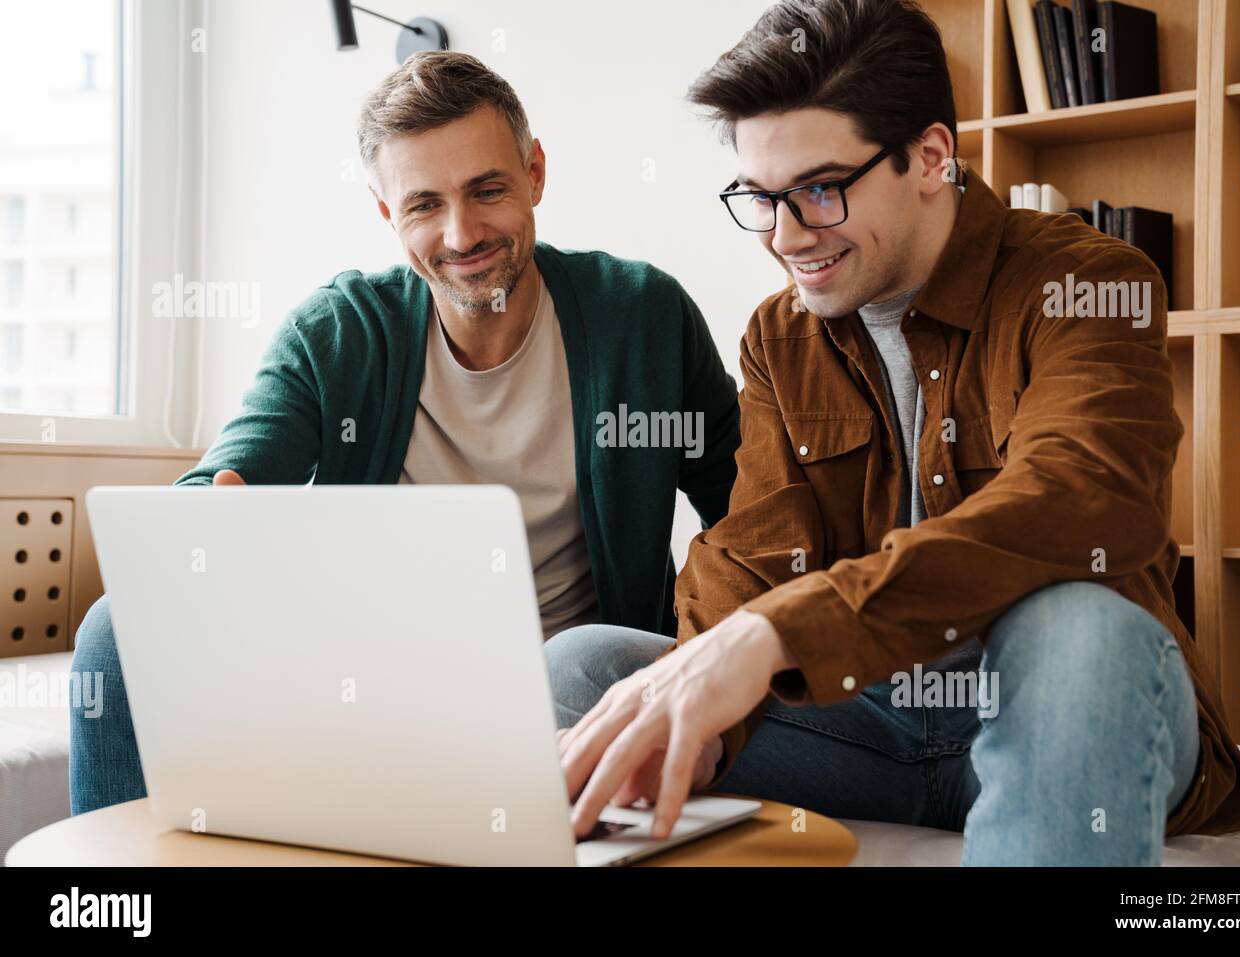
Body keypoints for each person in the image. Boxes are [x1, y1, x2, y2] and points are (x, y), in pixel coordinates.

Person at [551, 0, 1240, 865]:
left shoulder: (1089, 279)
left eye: (819, 191)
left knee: (1079, 632)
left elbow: (1079, 501)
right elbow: (755, 553)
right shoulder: (778, 335)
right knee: (586, 668)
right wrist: (705, 702)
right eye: (760, 199)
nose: (785, 237)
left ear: (932, 157)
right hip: (864, 727)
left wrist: (779, 634)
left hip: (1059, 708)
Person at [69, 51, 740, 815]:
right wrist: (214, 530)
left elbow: (751, 511)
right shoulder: (340, 332)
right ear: (387, 214)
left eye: (487, 189)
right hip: (376, 691)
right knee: (118, 629)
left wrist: (701, 643)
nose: (461, 234)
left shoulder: (641, 315)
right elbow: (219, 488)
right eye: (424, 204)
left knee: (576, 667)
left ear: (536, 174)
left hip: (571, 694)